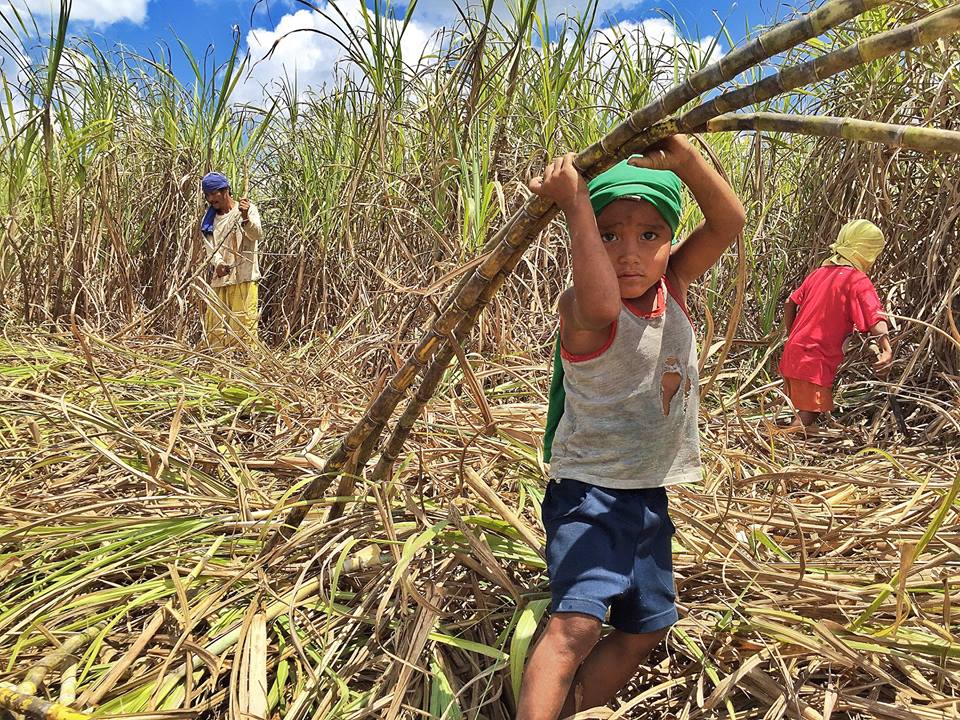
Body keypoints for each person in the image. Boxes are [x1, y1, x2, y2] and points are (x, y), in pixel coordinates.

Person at [520, 136, 745, 720]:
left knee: (646, 628)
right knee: (575, 625)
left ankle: (566, 708)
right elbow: (599, 303)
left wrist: (689, 161)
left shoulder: (673, 291)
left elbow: (728, 222)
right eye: (610, 234)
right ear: (589, 237)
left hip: (647, 497)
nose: (629, 253)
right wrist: (574, 206)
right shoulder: (584, 308)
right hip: (589, 493)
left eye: (649, 236)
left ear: (670, 244)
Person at [779, 219, 893, 427]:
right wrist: (886, 348)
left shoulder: (818, 274)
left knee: (804, 411)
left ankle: (780, 443)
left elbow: (789, 302)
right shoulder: (858, 281)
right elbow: (875, 317)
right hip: (815, 358)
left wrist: (792, 334)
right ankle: (776, 447)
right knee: (809, 414)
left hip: (794, 352)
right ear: (866, 251)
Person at [200, 171, 262, 348]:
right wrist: (218, 263)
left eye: (214, 193)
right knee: (216, 327)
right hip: (221, 280)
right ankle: (218, 364)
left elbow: (256, 234)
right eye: (208, 195)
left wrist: (245, 218)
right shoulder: (208, 221)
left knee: (245, 325)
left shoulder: (247, 209)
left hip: (245, 276)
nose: (211, 199)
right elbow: (210, 248)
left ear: (225, 190)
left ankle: (247, 366)